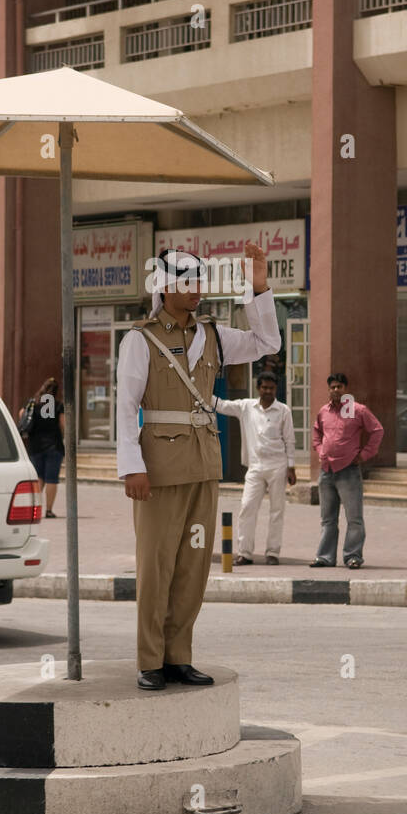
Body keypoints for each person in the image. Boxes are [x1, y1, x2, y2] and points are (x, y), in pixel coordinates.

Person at [117, 244, 281, 690]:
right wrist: (131, 467)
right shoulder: (139, 339)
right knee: (156, 566)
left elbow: (268, 343)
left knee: (194, 567)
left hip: (204, 464)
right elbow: (125, 406)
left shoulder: (213, 335)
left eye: (200, 281)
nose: (197, 291)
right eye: (188, 282)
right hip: (158, 469)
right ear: (165, 286)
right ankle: (149, 659)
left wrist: (259, 286)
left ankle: (178, 656)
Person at [214, 371, 296, 566]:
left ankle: (273, 553)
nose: (268, 391)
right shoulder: (246, 407)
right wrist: (199, 391)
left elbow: (290, 440)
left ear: (276, 389)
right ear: (258, 388)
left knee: (277, 510)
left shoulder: (284, 410)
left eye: (272, 388)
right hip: (255, 466)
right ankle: (245, 553)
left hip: (278, 465)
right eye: (264, 387)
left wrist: (291, 467)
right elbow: (222, 405)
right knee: (247, 508)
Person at [311, 372, 384, 569]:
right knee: (328, 519)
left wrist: (365, 454)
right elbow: (316, 433)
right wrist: (320, 451)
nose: (336, 390)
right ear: (329, 390)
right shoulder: (323, 412)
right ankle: (325, 557)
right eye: (332, 387)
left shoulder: (357, 410)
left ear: (346, 389)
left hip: (348, 471)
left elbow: (377, 430)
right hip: (327, 471)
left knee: (354, 518)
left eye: (339, 387)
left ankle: (353, 556)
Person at [18, 376, 65, 517]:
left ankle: (35, 510)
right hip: (53, 446)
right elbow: (63, 425)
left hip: (35, 445)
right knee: (51, 479)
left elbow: (22, 416)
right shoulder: (57, 405)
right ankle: (49, 510)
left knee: (39, 477)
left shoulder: (32, 404)